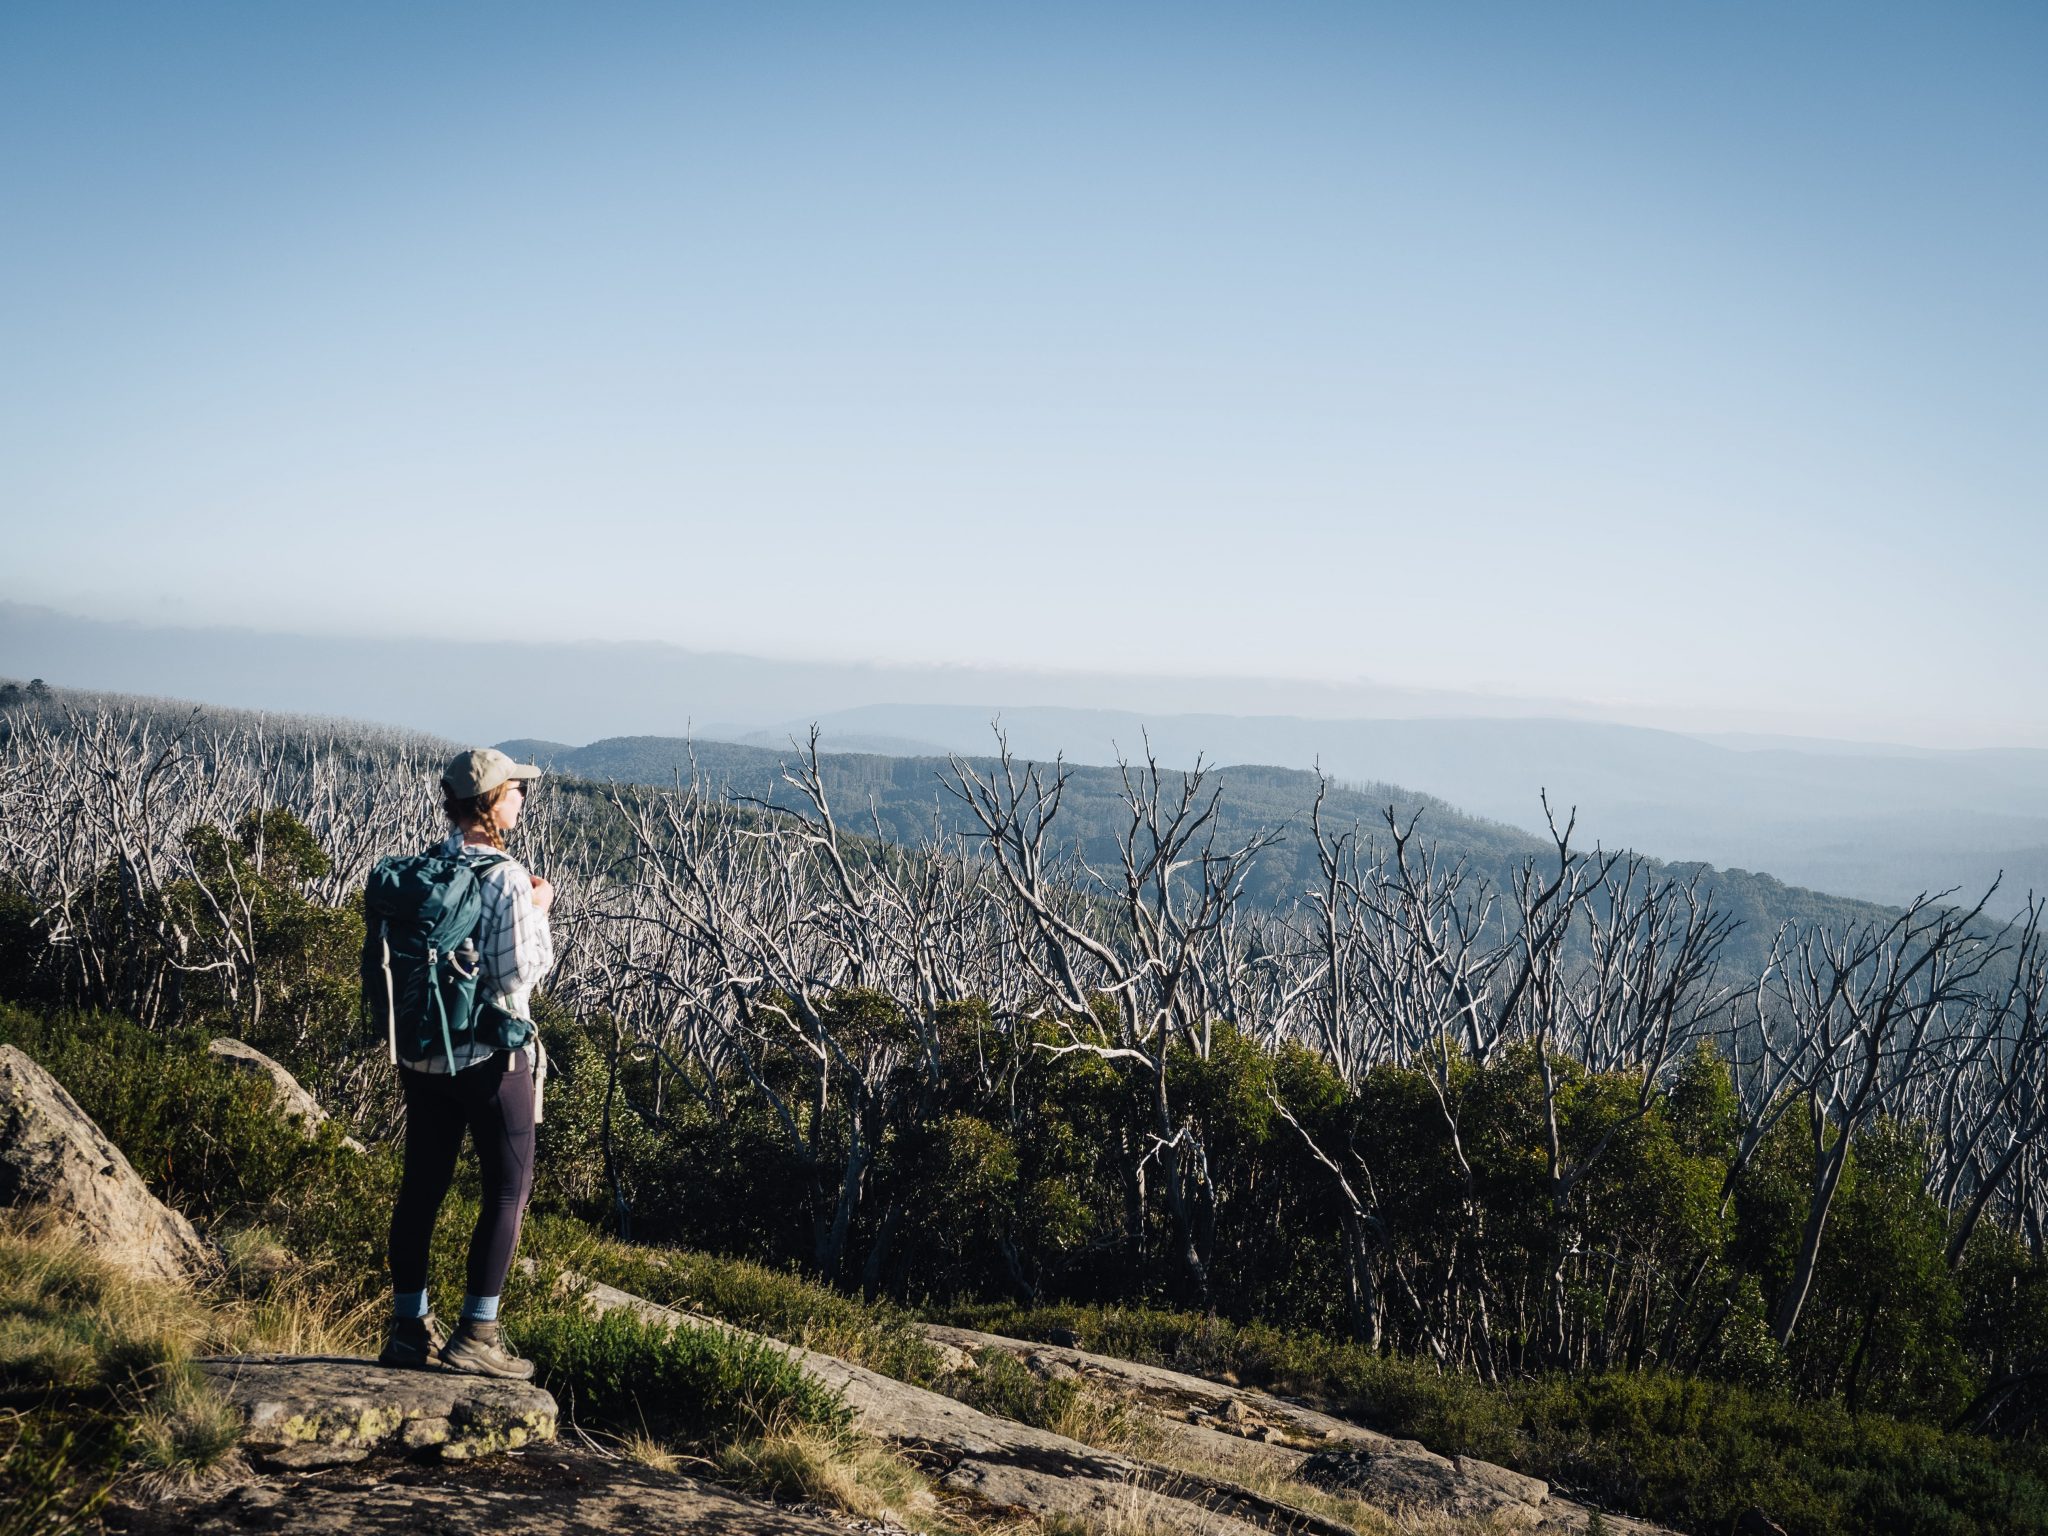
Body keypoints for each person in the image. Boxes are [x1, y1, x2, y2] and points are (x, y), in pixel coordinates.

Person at [379, 747, 555, 1378]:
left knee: (422, 1184)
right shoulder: (506, 877)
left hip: (424, 1052)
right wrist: (540, 911)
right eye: (516, 791)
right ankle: (477, 1333)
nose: (522, 800)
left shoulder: (429, 866)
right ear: (490, 802)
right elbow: (517, 972)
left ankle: (408, 1328)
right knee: (508, 1188)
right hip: (489, 1055)